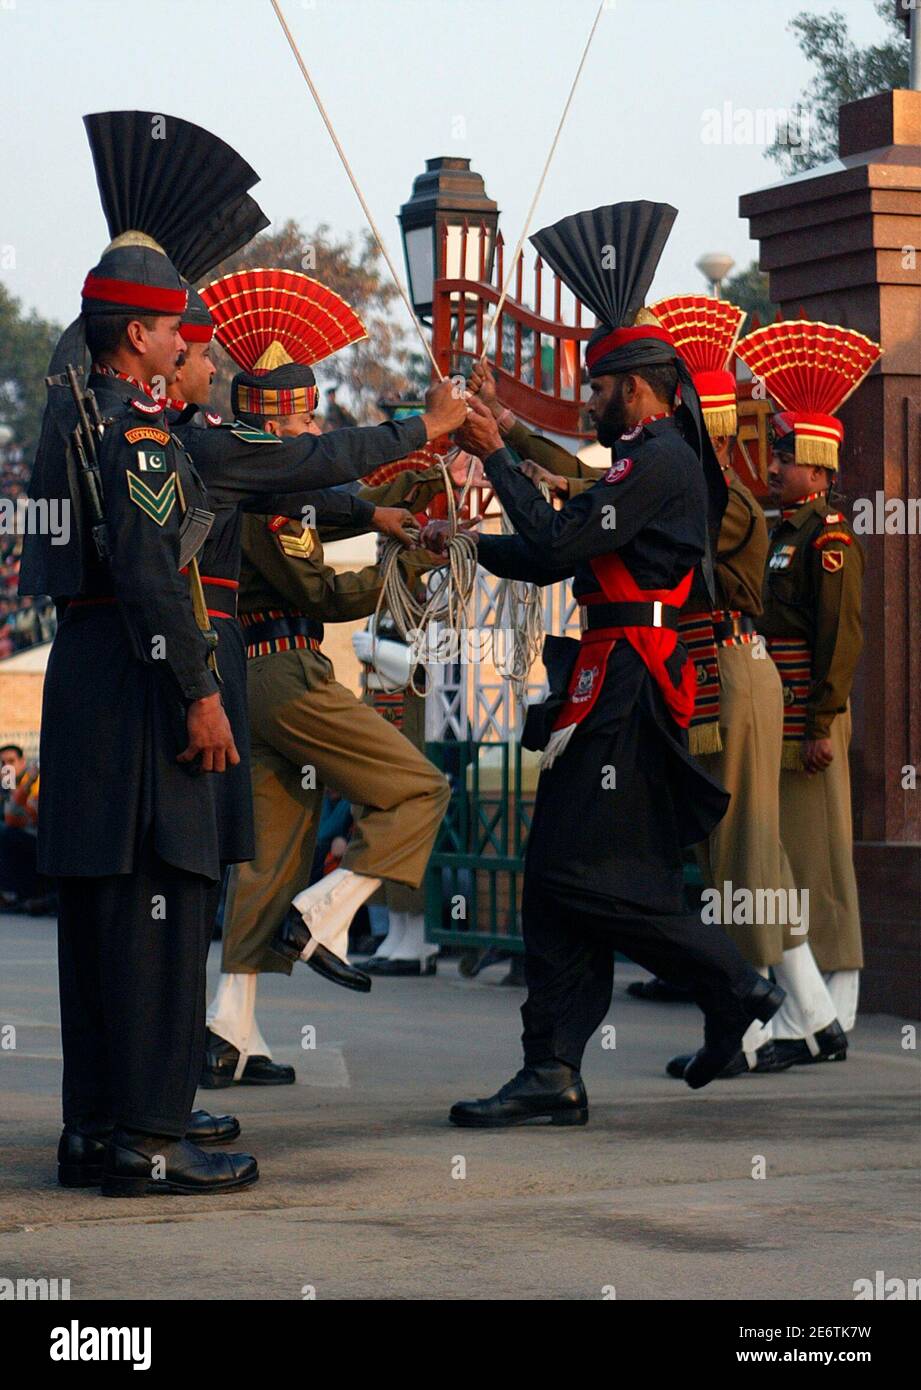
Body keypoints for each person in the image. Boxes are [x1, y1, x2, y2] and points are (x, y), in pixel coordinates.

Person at [428, 202, 785, 1127]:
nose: (586, 399)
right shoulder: (641, 461)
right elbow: (565, 545)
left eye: (597, 386)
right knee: (570, 871)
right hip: (612, 670)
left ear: (636, 387)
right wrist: (454, 541)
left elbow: (553, 544)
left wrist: (496, 452)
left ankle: (729, 984)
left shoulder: (655, 460)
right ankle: (552, 1066)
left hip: (630, 682)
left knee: (570, 874)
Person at [18, 111, 269, 1194]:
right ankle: (150, 1138)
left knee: (103, 927)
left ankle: (100, 1129)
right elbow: (156, 576)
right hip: (138, 686)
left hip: (83, 682)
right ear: (138, 338)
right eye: (172, 330)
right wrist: (202, 694)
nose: (184, 346)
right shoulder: (142, 433)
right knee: (161, 922)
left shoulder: (71, 407)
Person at [181, 269, 456, 1086]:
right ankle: (327, 913)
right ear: (274, 421)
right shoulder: (269, 500)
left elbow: (333, 494)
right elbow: (316, 591)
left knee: (267, 854)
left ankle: (229, 1031)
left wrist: (382, 516)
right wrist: (394, 569)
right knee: (417, 788)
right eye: (303, 420)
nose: (313, 431)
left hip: (254, 680)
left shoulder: (268, 491)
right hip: (284, 672)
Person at [735, 318, 879, 1058]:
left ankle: (829, 1011)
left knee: (817, 858)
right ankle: (825, 1010)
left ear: (819, 471)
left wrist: (820, 721)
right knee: (796, 857)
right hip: (783, 712)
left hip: (810, 715)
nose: (777, 465)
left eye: (789, 459)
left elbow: (840, 639)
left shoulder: (828, 542)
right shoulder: (781, 533)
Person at [0, 743, 40, 909]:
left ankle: (10, 892)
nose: (7, 766)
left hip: (32, 834)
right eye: (3, 763)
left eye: (11, 761)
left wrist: (26, 782)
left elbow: (12, 816)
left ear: (22, 762)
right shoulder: (8, 783)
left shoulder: (32, 781)